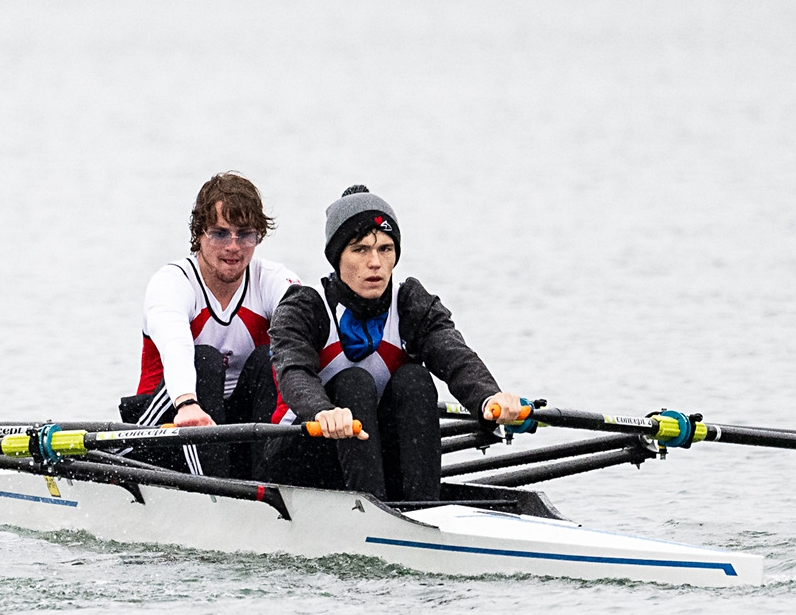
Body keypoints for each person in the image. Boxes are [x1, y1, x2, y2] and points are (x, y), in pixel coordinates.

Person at [262, 185, 529, 501]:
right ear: (337, 257)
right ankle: (375, 515)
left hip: (373, 455)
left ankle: (422, 507)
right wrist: (322, 412)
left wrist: (490, 398)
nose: (374, 262)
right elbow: (294, 373)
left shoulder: (411, 304)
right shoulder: (305, 307)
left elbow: (454, 355)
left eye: (385, 250)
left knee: (415, 380)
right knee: (353, 382)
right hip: (302, 457)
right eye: (360, 250)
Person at [120, 172, 305, 478]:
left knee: (273, 356)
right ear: (199, 234)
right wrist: (187, 402)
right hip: (166, 428)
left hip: (233, 431)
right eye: (220, 234)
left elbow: (309, 334)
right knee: (204, 359)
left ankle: (265, 483)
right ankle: (216, 491)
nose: (233, 246)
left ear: (259, 235)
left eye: (245, 234)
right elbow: (177, 346)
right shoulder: (172, 282)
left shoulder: (273, 280)